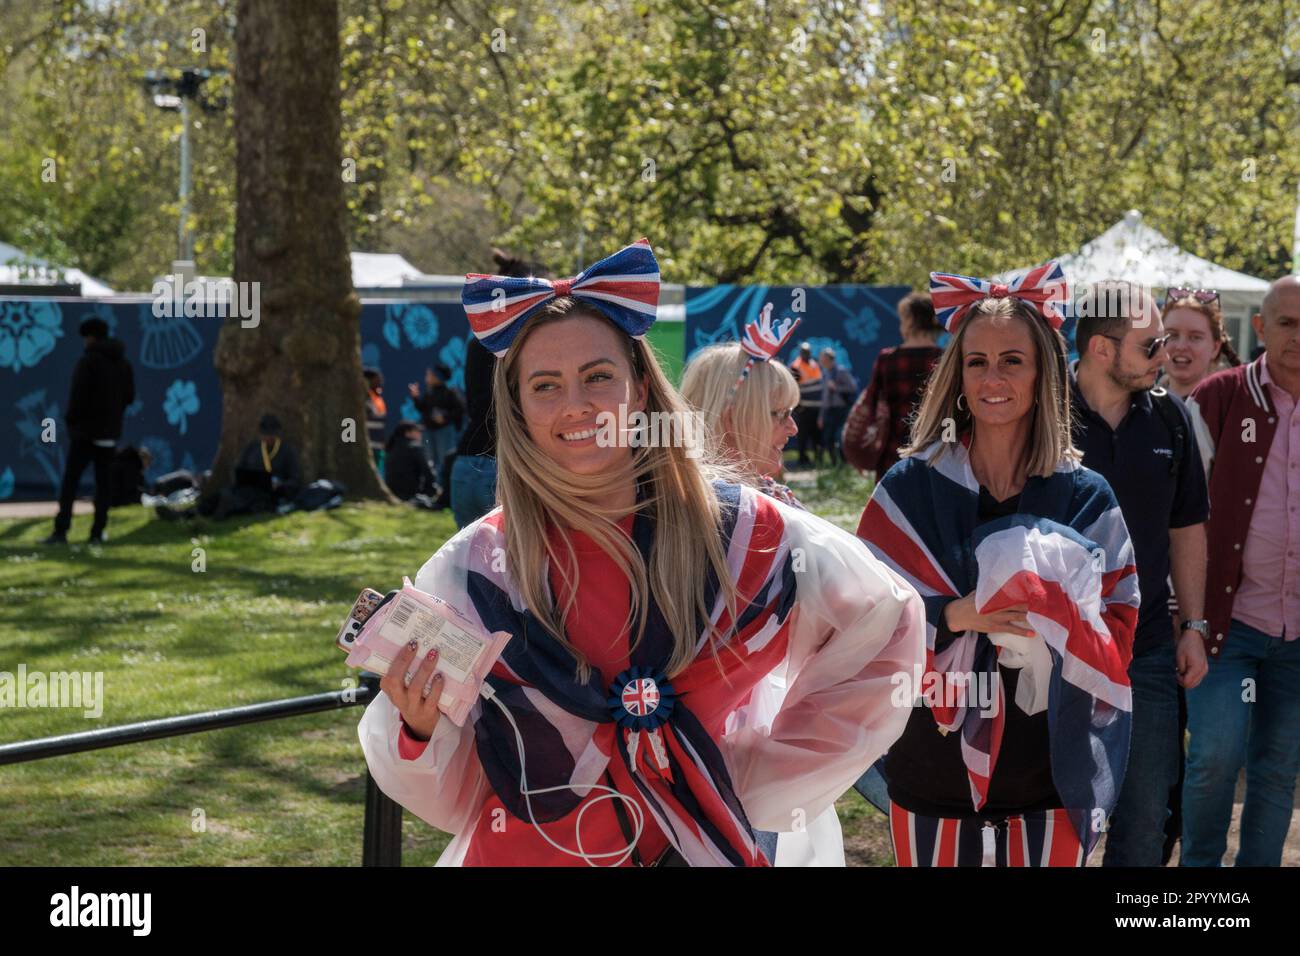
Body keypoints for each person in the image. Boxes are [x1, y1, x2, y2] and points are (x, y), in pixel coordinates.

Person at [356, 239, 926, 867]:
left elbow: (887, 622)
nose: (577, 405)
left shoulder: (740, 532)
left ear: (643, 389)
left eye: (599, 376)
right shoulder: (478, 566)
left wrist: (760, 779)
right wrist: (419, 728)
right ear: (516, 410)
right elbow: (456, 796)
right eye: (545, 385)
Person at [856, 263, 1140, 866]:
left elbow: (1120, 623)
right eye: (977, 361)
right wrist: (957, 614)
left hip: (1050, 778)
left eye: (1013, 360)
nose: (993, 377)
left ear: (1043, 374)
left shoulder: (1086, 497)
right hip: (931, 775)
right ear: (957, 375)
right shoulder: (908, 490)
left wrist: (1063, 618)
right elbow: (863, 618)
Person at [681, 305, 845, 867]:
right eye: (779, 413)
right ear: (732, 420)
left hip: (764, 722)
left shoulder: (774, 501)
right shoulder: (683, 509)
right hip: (712, 726)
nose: (794, 428)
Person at [1068, 280, 1209, 867]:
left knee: (1146, 818)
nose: (1167, 355)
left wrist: (1195, 626)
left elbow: (1188, 529)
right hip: (1056, 654)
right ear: (1103, 349)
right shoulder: (1042, 416)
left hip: (1146, 650)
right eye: (1152, 344)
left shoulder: (1171, 418)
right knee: (1051, 812)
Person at [1180, 274, 1300, 867]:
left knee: (1278, 771)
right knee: (1214, 759)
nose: (1298, 336)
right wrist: (1190, 620)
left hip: (1298, 633)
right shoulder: (1220, 397)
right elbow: (1182, 514)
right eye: (1286, 323)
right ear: (1260, 328)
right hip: (1229, 625)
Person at [450, 249, 551, 529]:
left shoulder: (477, 344)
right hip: (502, 466)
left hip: (465, 464)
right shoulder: (526, 345)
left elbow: (476, 406)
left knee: (471, 566)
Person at [43, 317, 136, 545]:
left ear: (90, 337)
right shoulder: (123, 364)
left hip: (85, 433)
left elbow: (78, 397)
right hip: (110, 433)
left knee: (71, 481)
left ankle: (61, 530)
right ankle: (97, 532)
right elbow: (129, 397)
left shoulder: (88, 362)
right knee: (103, 484)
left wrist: (72, 423)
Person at [843, 291, 944, 478]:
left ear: (911, 321)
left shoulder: (888, 359)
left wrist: (857, 452)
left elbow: (869, 405)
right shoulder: (945, 359)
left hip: (894, 452)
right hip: (937, 452)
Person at [196, 414, 301, 520]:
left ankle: (222, 511)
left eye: (271, 435)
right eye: (265, 435)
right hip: (246, 487)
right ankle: (196, 512)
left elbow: (294, 480)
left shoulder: (287, 451)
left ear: (277, 434)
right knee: (223, 495)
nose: (268, 438)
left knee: (247, 501)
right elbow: (239, 469)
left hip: (269, 493)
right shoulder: (252, 447)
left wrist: (280, 484)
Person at [409, 364, 465, 476]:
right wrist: (415, 397)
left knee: (445, 460)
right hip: (429, 431)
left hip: (444, 432)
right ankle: (432, 487)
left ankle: (444, 488)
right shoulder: (429, 393)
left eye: (429, 374)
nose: (427, 377)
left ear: (438, 377)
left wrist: (445, 418)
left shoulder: (450, 393)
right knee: (429, 460)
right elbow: (422, 408)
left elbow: (460, 410)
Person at [817, 347, 857, 465]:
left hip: (841, 410)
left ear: (830, 359)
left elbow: (852, 388)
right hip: (829, 411)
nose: (821, 361)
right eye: (821, 359)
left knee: (840, 437)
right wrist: (821, 415)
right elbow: (824, 397)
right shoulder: (825, 374)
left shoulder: (841, 371)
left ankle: (845, 463)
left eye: (823, 359)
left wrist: (836, 388)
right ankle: (834, 464)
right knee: (828, 438)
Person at [383, 420, 439, 503]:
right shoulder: (415, 447)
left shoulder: (391, 448)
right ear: (407, 433)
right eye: (417, 431)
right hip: (411, 493)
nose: (420, 434)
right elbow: (428, 472)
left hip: (392, 492)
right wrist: (431, 492)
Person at [789, 341, 823, 467]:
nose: (806, 354)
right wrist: (798, 407)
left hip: (816, 408)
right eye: (804, 352)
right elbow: (793, 388)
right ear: (800, 353)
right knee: (802, 435)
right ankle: (802, 459)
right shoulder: (796, 367)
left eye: (808, 352)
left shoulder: (814, 364)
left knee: (817, 436)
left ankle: (818, 460)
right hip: (804, 409)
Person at [363, 368, 388, 470]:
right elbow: (348, 420)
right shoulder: (360, 396)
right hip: (364, 447)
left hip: (377, 446)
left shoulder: (377, 398)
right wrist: (348, 441)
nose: (380, 382)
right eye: (377, 380)